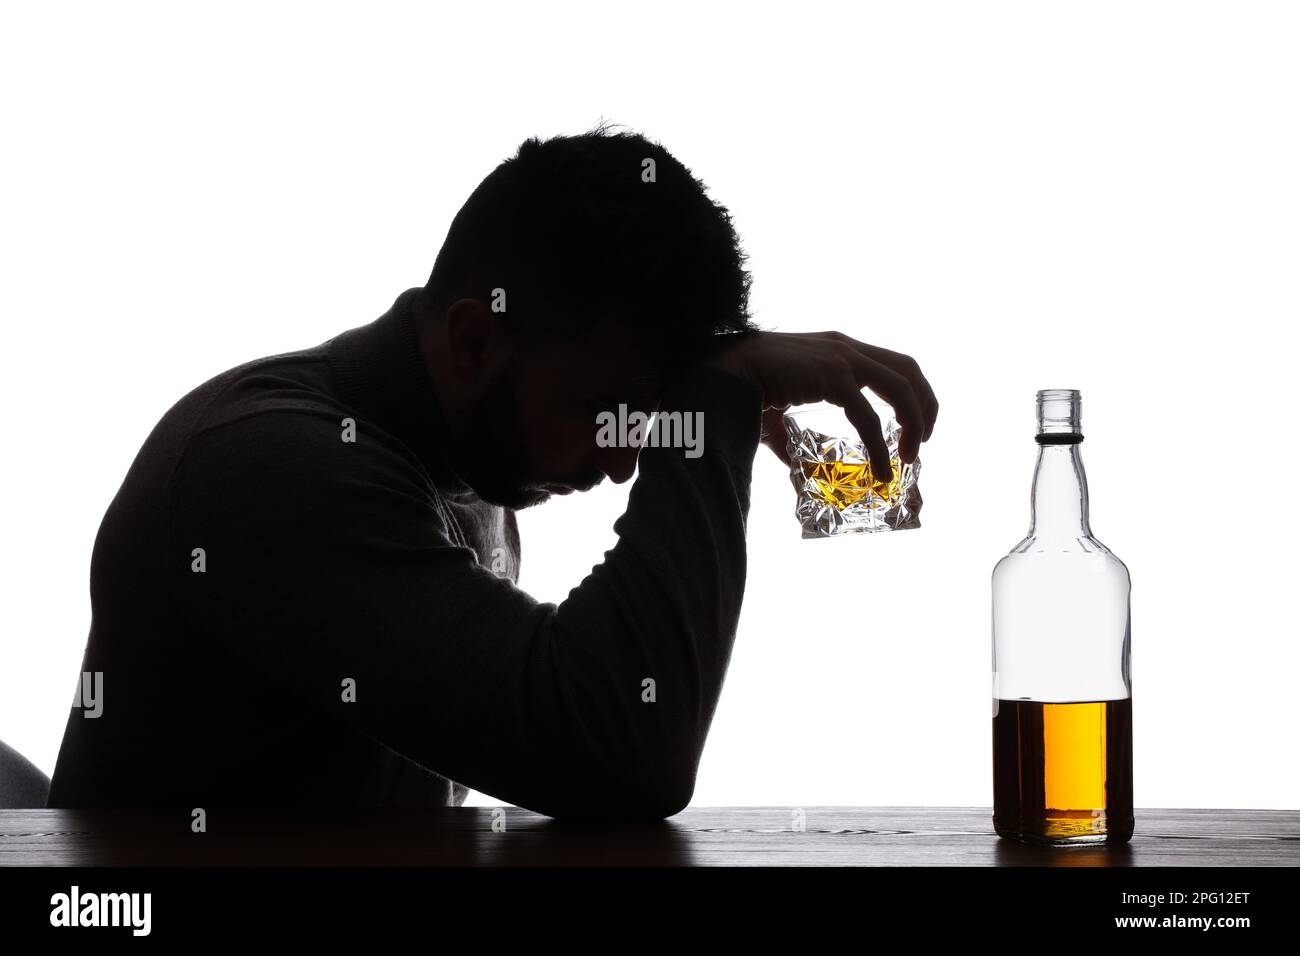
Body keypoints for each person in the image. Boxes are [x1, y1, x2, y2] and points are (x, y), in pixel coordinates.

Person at [46, 122, 938, 820]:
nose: (628, 460)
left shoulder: (458, 459)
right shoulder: (271, 469)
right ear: (475, 339)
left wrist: (702, 407)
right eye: (606, 411)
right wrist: (707, 417)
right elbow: (621, 747)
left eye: (646, 422)